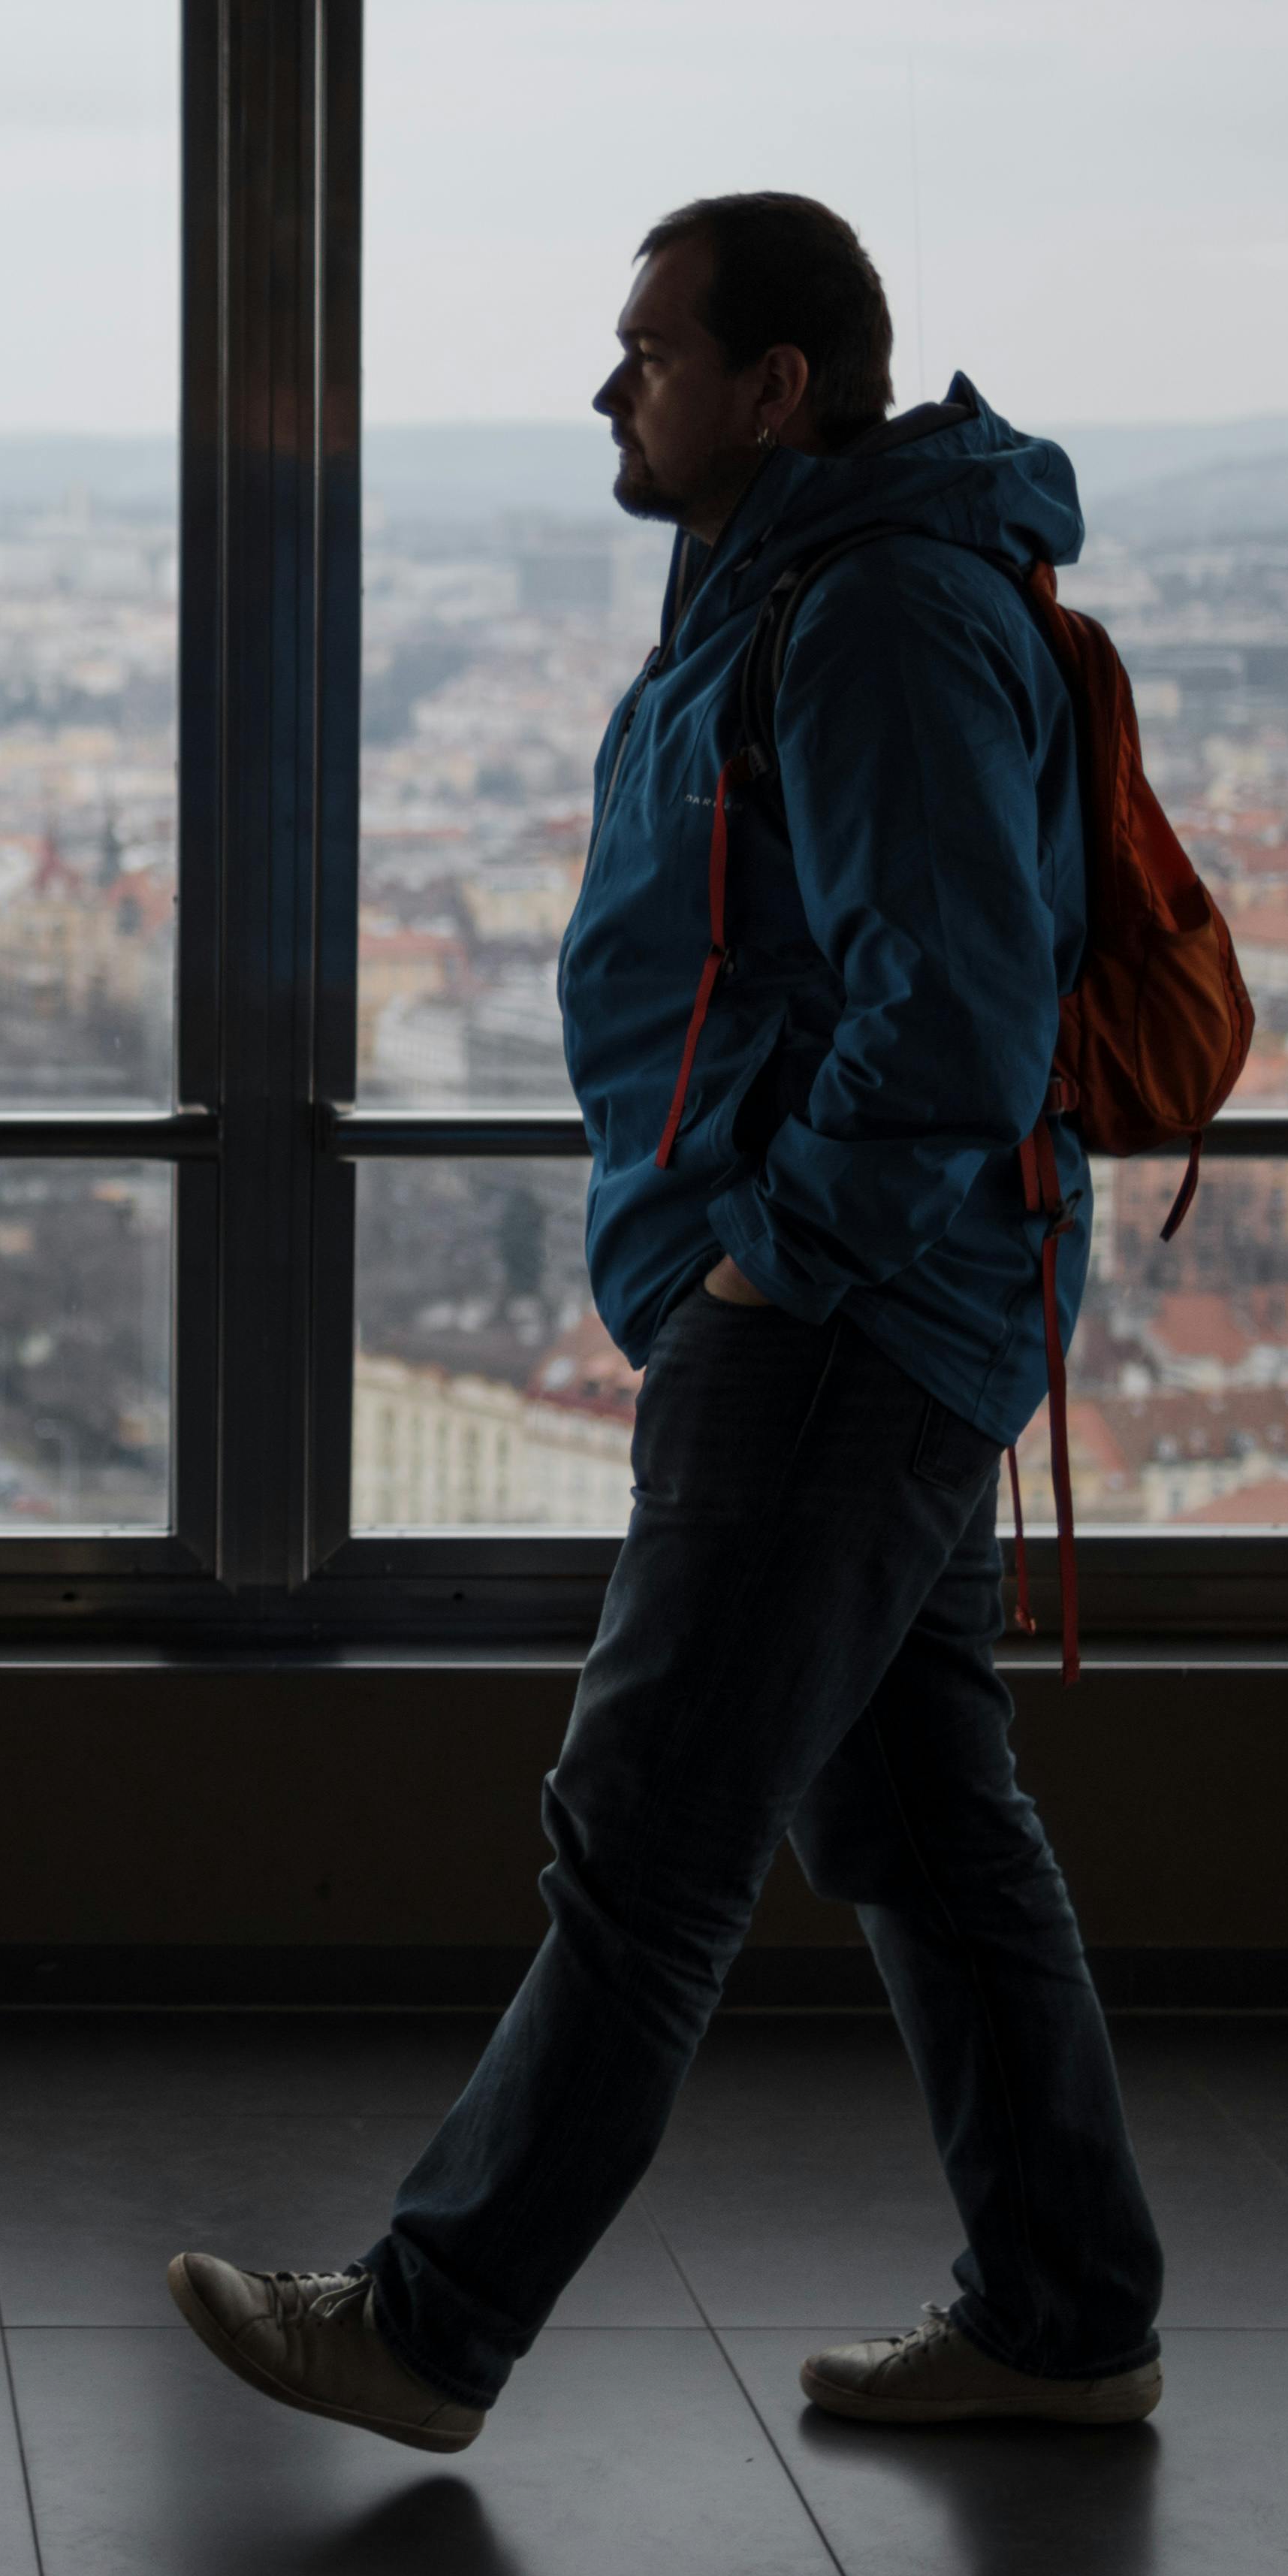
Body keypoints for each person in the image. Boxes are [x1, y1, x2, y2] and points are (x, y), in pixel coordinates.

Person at [171, 189, 1166, 2450]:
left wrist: (764, 1258)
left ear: (775, 385)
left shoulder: (877, 607)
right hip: (877, 1297)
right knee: (922, 1819)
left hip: (839, 1317)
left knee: (654, 1831)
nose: (609, 391)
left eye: (650, 353)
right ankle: (1066, 2312)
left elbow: (958, 1014)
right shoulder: (803, 583)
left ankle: (433, 2322)